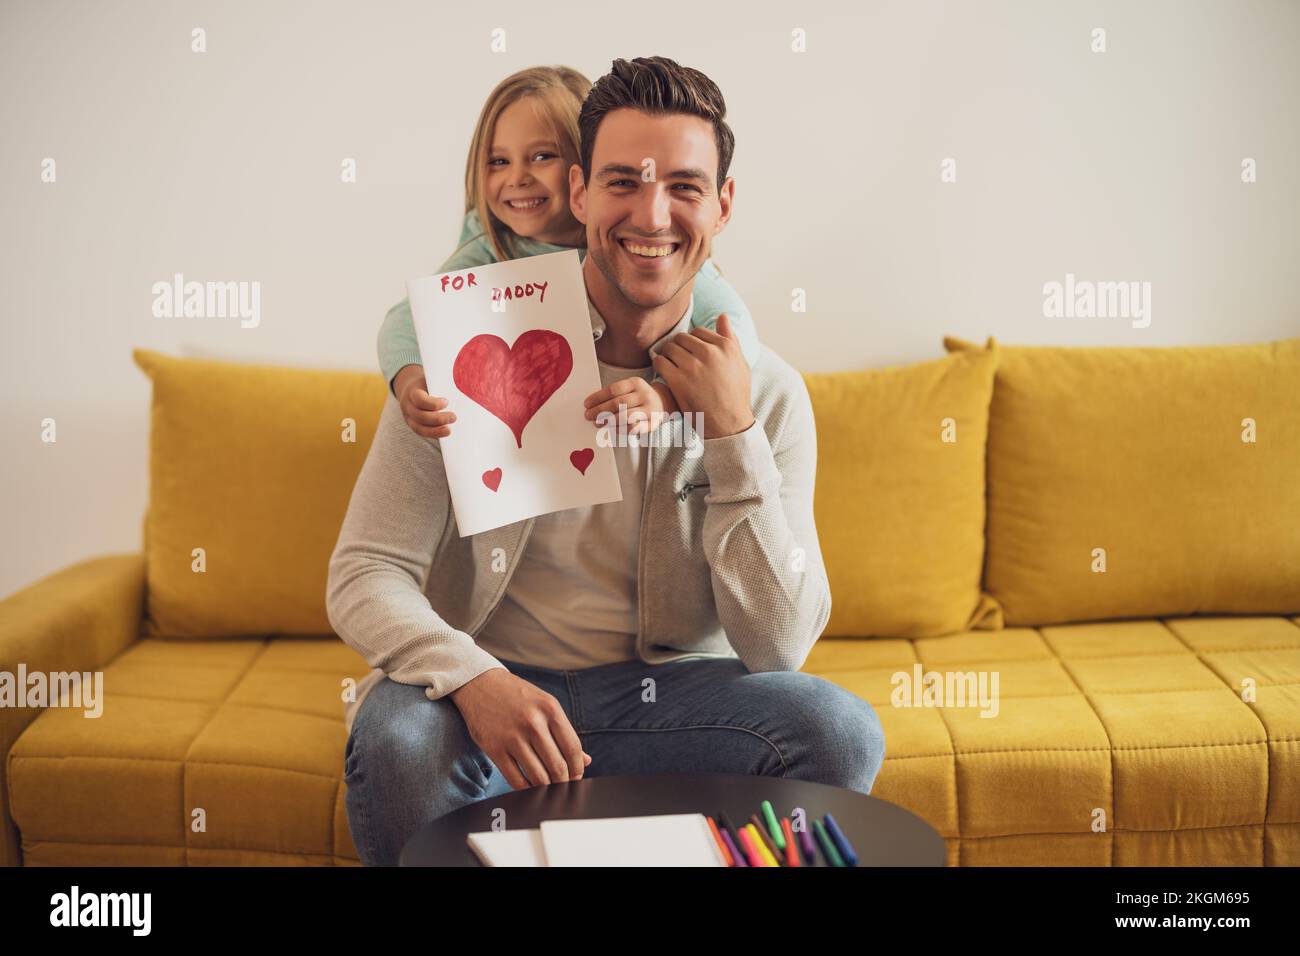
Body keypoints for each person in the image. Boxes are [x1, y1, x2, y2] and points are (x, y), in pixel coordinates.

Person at [328, 56, 886, 867]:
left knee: (835, 727)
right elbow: (364, 571)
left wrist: (731, 437)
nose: (652, 214)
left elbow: (780, 647)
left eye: (685, 187)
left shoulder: (765, 389)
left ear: (723, 205)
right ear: (581, 193)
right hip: (493, 686)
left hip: (675, 706)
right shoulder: (463, 349)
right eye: (623, 182)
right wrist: (474, 679)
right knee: (399, 738)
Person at [377, 64, 760, 441]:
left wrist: (665, 397)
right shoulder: (489, 248)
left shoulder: (656, 255)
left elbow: (732, 331)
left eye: (542, 156)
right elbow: (407, 319)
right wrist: (411, 381)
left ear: (583, 171)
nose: (517, 178)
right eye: (498, 161)